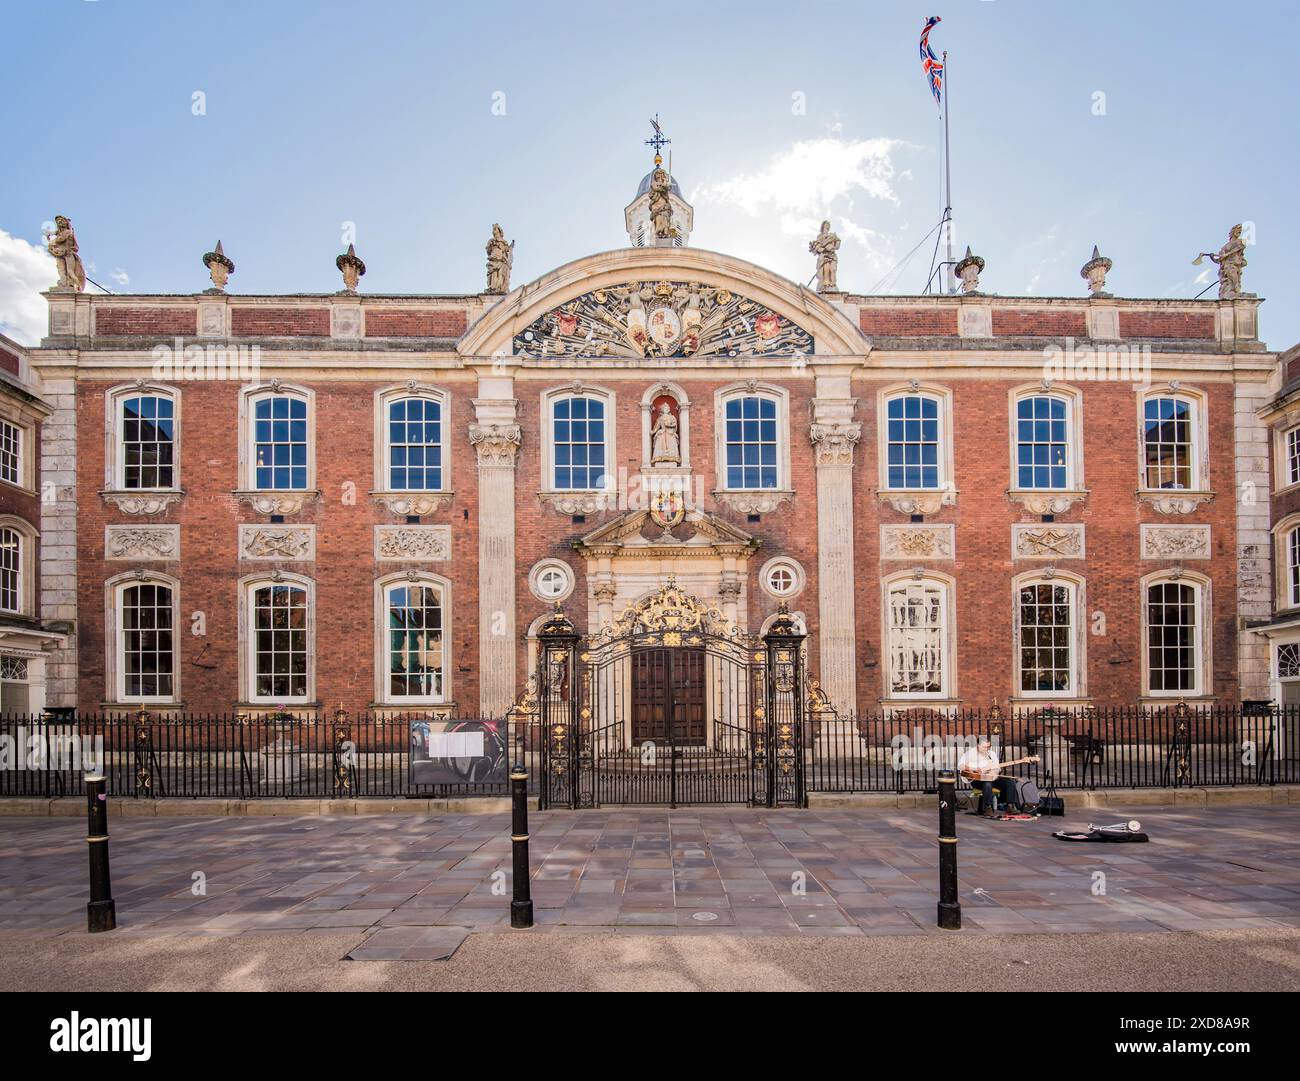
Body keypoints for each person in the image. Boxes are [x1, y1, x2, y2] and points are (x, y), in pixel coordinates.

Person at [958, 737, 1004, 817]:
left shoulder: (992, 754)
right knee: (987, 784)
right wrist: (974, 769)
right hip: (977, 780)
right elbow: (960, 765)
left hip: (992, 778)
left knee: (1009, 782)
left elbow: (997, 768)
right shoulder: (970, 753)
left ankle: (1011, 806)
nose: (986, 749)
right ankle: (988, 807)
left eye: (988, 747)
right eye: (984, 747)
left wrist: (995, 772)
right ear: (978, 746)